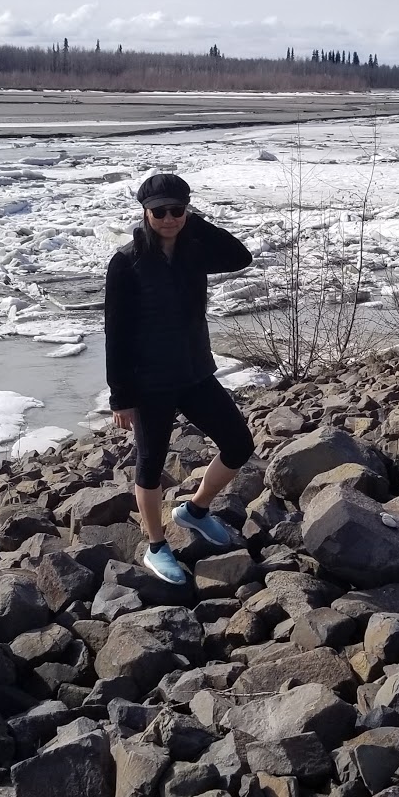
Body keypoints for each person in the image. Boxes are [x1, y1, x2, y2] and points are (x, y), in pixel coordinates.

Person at [104, 173, 257, 584]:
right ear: (144, 213)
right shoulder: (126, 261)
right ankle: (157, 547)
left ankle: (195, 509)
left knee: (239, 443)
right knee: (150, 464)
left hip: (194, 371)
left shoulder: (194, 251)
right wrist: (121, 396)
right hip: (149, 380)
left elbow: (240, 256)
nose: (169, 219)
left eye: (178, 210)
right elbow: (115, 332)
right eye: (160, 212)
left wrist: (195, 222)